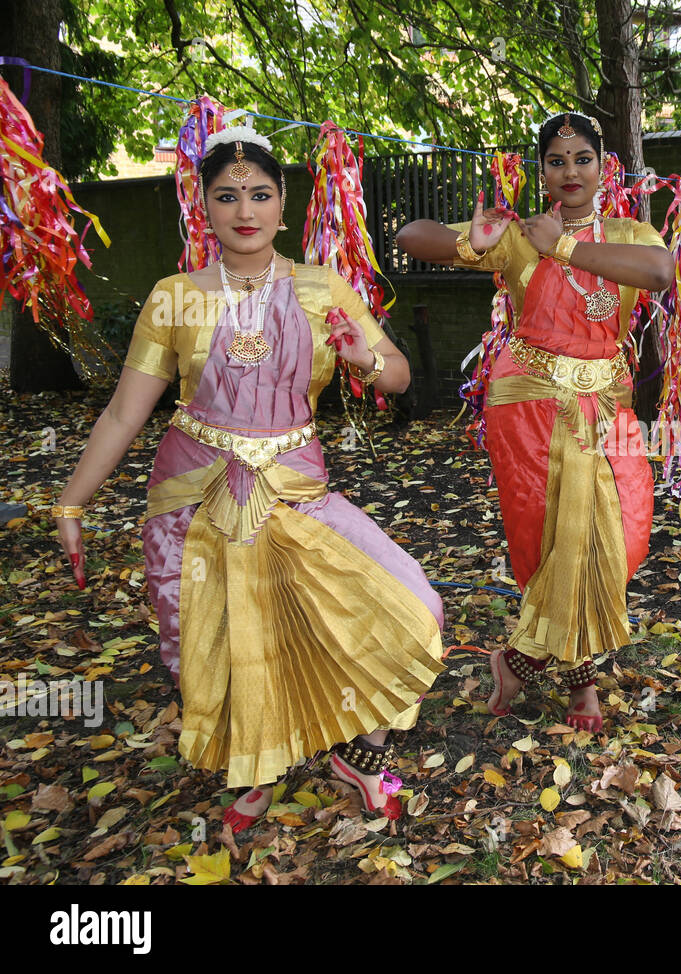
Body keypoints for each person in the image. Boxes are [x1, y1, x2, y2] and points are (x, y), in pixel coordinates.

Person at [53, 126, 446, 832]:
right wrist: (70, 504)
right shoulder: (175, 296)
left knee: (412, 605)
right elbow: (123, 411)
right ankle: (257, 768)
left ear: (283, 204)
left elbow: (400, 373)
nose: (246, 210)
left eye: (260, 194)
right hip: (196, 493)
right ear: (203, 205)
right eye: (228, 195)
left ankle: (359, 750)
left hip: (298, 488)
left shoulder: (324, 287)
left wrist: (362, 360)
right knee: (232, 643)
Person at [396, 111, 672, 732]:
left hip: (606, 405)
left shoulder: (630, 232)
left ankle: (517, 660)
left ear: (605, 167)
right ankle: (582, 684)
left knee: (622, 540)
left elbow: (661, 274)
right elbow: (412, 235)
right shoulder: (519, 234)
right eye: (556, 160)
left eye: (582, 158)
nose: (569, 171)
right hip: (530, 405)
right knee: (554, 543)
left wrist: (565, 246)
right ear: (540, 170)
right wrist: (475, 237)